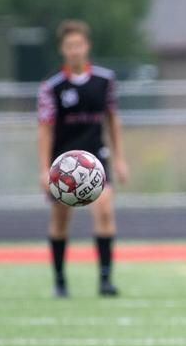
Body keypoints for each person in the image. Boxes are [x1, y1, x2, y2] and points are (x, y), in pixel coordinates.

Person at [37, 20, 128, 298]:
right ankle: (60, 281)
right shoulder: (51, 87)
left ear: (86, 46)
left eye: (79, 45)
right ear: (62, 50)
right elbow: (45, 128)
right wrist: (44, 169)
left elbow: (112, 120)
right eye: (69, 46)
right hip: (62, 164)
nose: (74, 50)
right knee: (60, 220)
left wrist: (120, 158)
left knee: (104, 211)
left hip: (95, 161)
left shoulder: (104, 81)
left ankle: (105, 279)